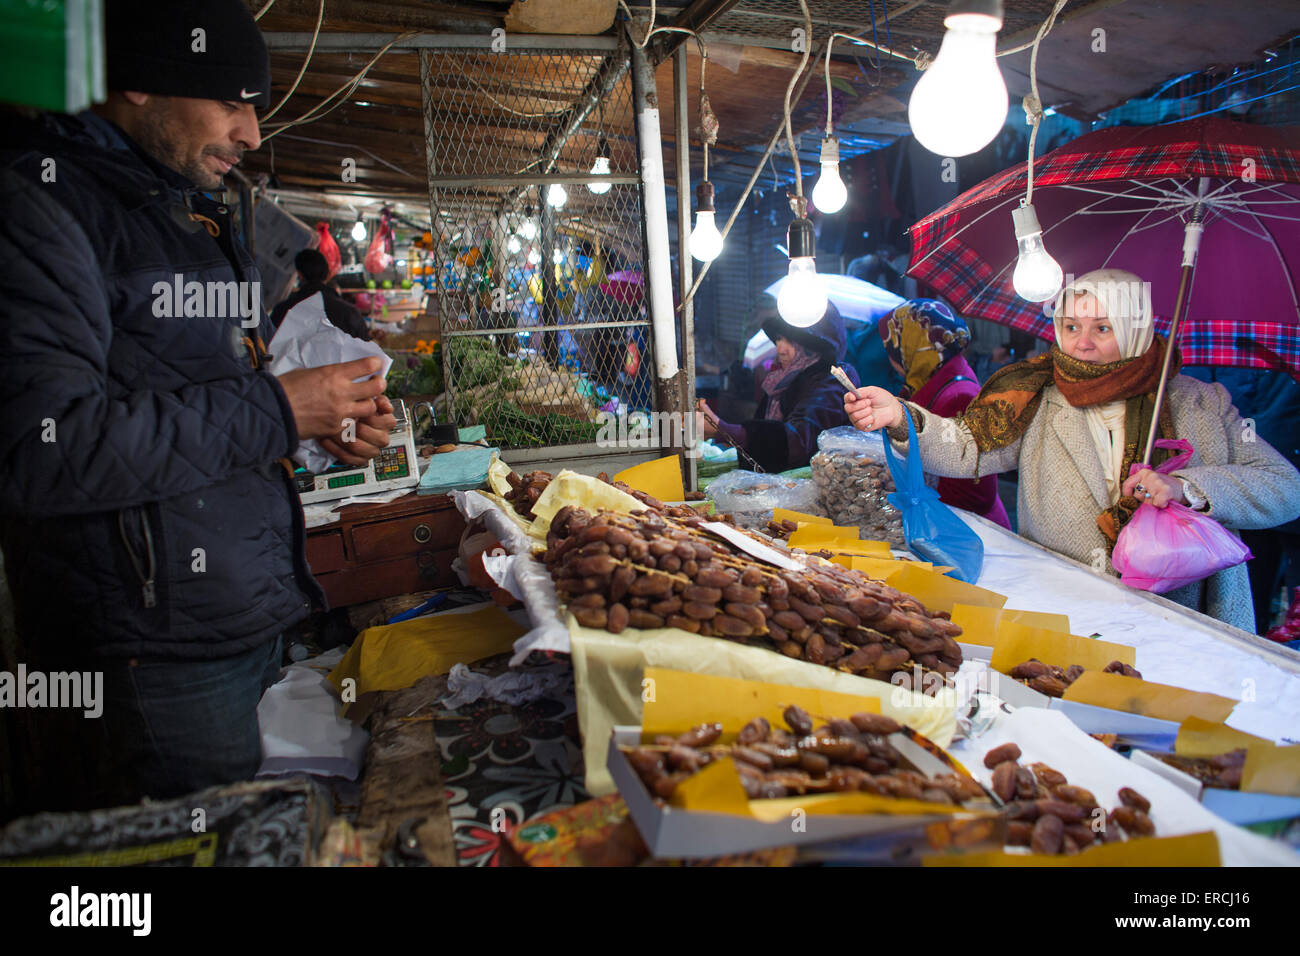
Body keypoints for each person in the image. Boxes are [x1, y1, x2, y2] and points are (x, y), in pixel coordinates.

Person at [0, 0, 395, 816]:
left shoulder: (179, 209)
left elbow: (192, 399)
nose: (251, 134)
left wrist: (321, 430)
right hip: (149, 661)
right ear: (142, 84)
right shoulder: (40, 209)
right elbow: (43, 452)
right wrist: (280, 412)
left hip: (234, 624)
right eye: (233, 103)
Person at [844, 269, 1300, 632]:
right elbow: (968, 448)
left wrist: (1187, 487)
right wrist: (903, 417)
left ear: (1136, 328)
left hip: (1181, 618)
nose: (1082, 342)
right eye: (1071, 326)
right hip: (1067, 606)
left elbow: (1285, 486)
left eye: (1102, 327)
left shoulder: (1199, 402)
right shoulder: (1036, 394)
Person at [878, 300, 1010, 529]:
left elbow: (973, 494)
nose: (889, 356)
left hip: (969, 531)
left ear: (911, 346)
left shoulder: (959, 397)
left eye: (891, 345)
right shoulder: (934, 379)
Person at [700, 301, 860, 472]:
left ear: (813, 346)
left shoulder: (832, 382)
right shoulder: (783, 380)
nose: (780, 349)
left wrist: (722, 429)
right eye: (778, 339)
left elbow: (799, 443)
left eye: (791, 340)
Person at [269, 248, 372, 341]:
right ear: (327, 274)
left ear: (300, 275)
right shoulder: (349, 313)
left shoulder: (283, 310)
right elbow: (369, 356)